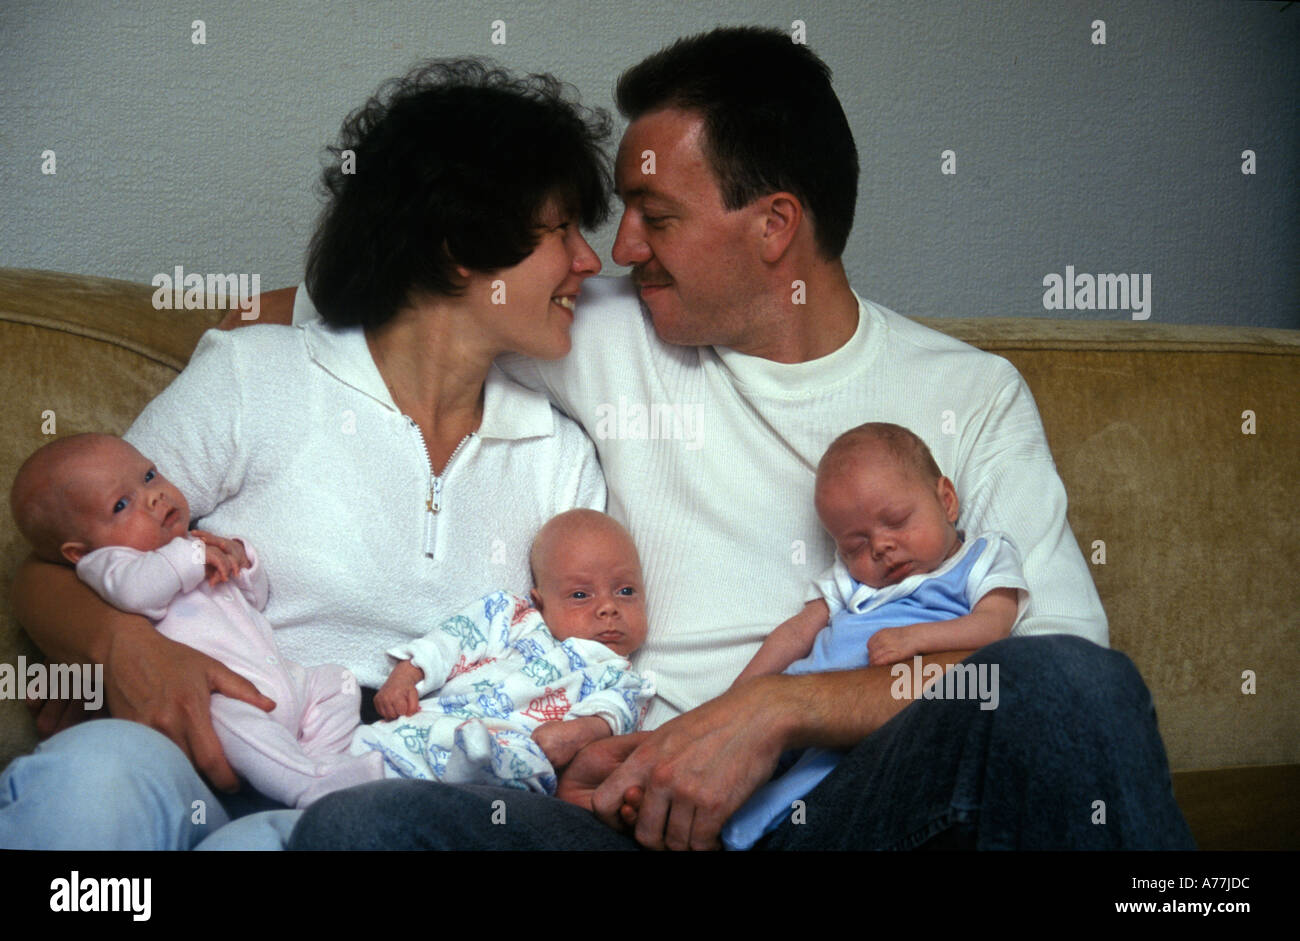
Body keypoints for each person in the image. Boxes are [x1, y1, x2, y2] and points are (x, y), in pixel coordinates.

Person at [290, 27, 1194, 851]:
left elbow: (1049, 673)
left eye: (657, 213)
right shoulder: (599, 326)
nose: (619, 247)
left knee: (1069, 687)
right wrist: (141, 638)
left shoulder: (970, 395)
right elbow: (377, 307)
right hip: (628, 814)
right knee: (359, 829)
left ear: (774, 226)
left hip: (843, 812)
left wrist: (778, 711)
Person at [1, 59, 614, 849]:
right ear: (463, 247)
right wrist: (123, 646)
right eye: (562, 229)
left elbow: (583, 654)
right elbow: (53, 563)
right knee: (88, 788)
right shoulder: (258, 375)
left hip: (379, 790)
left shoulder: (557, 456)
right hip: (200, 737)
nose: (588, 262)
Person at [9, 433, 385, 809]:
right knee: (225, 718)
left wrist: (241, 560)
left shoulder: (191, 544)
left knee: (339, 681)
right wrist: (192, 556)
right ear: (80, 551)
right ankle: (307, 785)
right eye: (121, 504)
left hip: (283, 681)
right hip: (219, 696)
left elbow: (255, 600)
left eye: (149, 476)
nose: (154, 496)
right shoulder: (109, 564)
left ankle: (319, 760)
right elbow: (136, 590)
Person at [721, 422, 1026, 849]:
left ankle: (739, 833)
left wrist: (916, 639)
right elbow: (795, 633)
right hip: (792, 697)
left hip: (873, 716)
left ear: (947, 500)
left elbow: (995, 627)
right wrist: (734, 700)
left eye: (897, 521)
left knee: (814, 775)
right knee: (739, 758)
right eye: (855, 545)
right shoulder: (855, 582)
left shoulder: (981, 558)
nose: (880, 547)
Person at [354, 509, 654, 791]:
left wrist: (578, 733)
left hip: (513, 751)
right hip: (431, 723)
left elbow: (614, 716)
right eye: (580, 595)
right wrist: (405, 676)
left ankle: (477, 771)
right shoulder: (512, 617)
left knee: (527, 764)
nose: (608, 607)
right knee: (363, 743)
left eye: (625, 591)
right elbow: (450, 641)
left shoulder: (620, 677)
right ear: (540, 602)